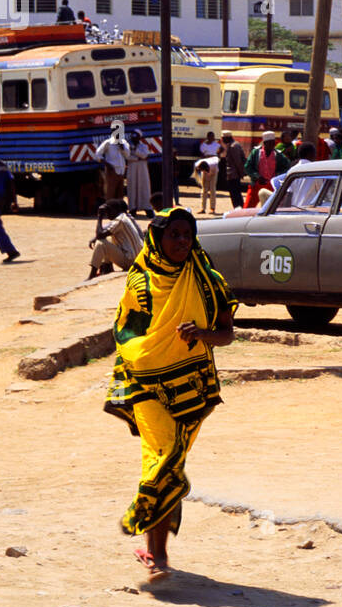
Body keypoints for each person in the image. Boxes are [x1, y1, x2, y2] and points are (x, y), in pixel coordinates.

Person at [104, 207, 237, 580]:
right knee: (164, 456)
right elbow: (124, 331)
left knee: (171, 465)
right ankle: (156, 553)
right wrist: (145, 354)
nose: (181, 242)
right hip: (143, 382)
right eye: (173, 235)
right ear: (157, 239)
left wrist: (201, 334)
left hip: (192, 387)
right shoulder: (140, 281)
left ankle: (153, 550)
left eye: (187, 234)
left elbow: (227, 333)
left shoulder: (206, 279)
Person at [86, 200, 144, 280]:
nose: (107, 214)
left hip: (131, 261)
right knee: (107, 240)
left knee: (101, 243)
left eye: (109, 211)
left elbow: (99, 235)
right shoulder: (123, 217)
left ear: (116, 210)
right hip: (137, 259)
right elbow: (102, 232)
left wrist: (99, 216)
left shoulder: (120, 220)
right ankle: (107, 268)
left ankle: (91, 275)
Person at [0, 142, 21, 262]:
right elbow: (11, 182)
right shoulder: (2, 164)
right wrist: (14, 201)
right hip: (0, 198)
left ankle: (11, 251)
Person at [244, 131, 283, 208]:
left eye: (273, 143)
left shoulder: (278, 155)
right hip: (257, 184)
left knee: (270, 207)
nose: (272, 145)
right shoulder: (255, 153)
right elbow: (247, 167)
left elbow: (286, 167)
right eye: (270, 143)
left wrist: (277, 176)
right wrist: (257, 176)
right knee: (247, 207)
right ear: (264, 143)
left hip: (271, 185)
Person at [94, 127, 130, 201]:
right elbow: (97, 155)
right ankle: (109, 210)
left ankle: (119, 210)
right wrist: (106, 164)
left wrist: (122, 147)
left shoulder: (123, 142)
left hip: (121, 171)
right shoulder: (108, 142)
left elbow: (127, 155)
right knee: (110, 192)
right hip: (111, 171)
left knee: (120, 192)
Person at [125, 131, 154, 217]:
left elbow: (145, 156)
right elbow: (127, 157)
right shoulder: (127, 147)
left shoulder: (144, 146)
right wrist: (137, 158)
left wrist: (135, 151)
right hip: (132, 169)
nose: (134, 139)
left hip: (142, 171)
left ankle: (147, 208)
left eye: (136, 137)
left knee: (144, 188)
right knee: (132, 188)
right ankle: (132, 208)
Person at [221, 132, 246, 210]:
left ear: (227, 138)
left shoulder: (233, 146)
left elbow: (237, 162)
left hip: (233, 175)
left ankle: (239, 209)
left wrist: (241, 173)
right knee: (236, 193)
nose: (222, 140)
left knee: (235, 194)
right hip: (233, 174)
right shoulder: (234, 145)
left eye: (223, 138)